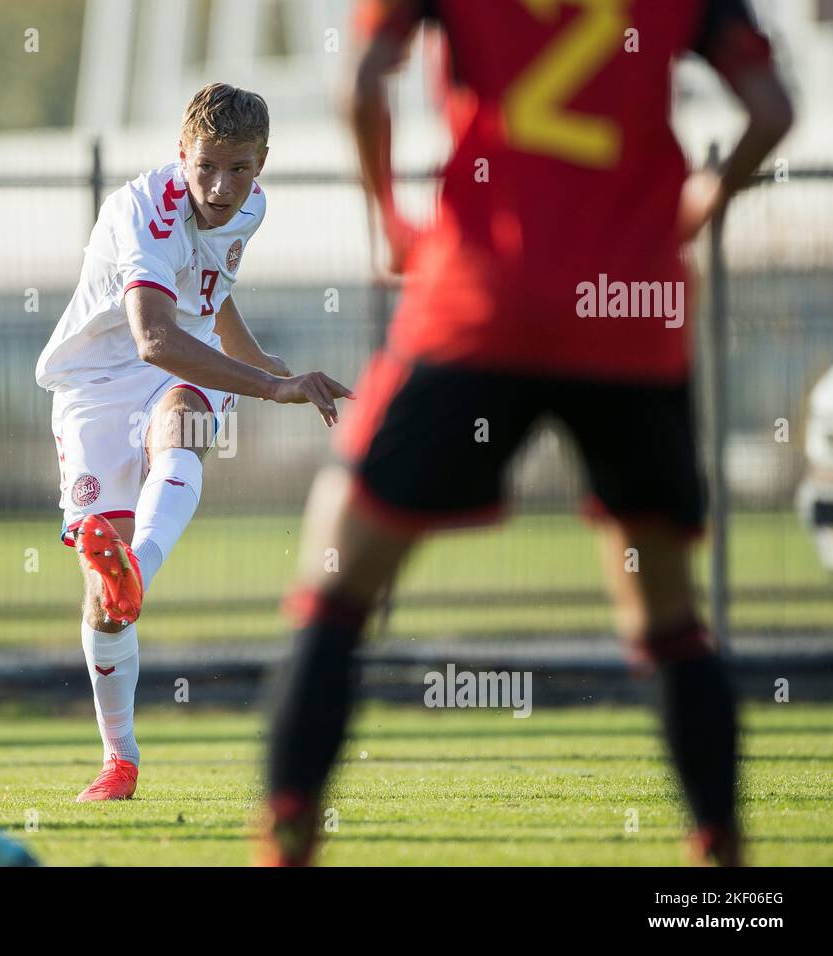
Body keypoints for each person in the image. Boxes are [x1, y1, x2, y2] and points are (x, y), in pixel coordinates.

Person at [264, 0, 793, 866]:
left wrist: (389, 217)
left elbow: (361, 84)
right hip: (630, 316)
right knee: (669, 618)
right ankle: (721, 868)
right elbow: (772, 110)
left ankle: (285, 840)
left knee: (336, 585)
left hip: (482, 302)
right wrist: (703, 199)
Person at [36, 82, 354, 800]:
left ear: (261, 163)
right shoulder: (143, 210)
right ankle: (121, 758)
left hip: (182, 366)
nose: (220, 185)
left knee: (182, 419)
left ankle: (136, 569)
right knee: (103, 605)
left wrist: (263, 361)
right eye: (206, 165)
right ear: (183, 153)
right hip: (95, 385)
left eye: (239, 168)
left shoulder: (251, 209)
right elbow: (153, 337)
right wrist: (269, 387)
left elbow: (212, 290)